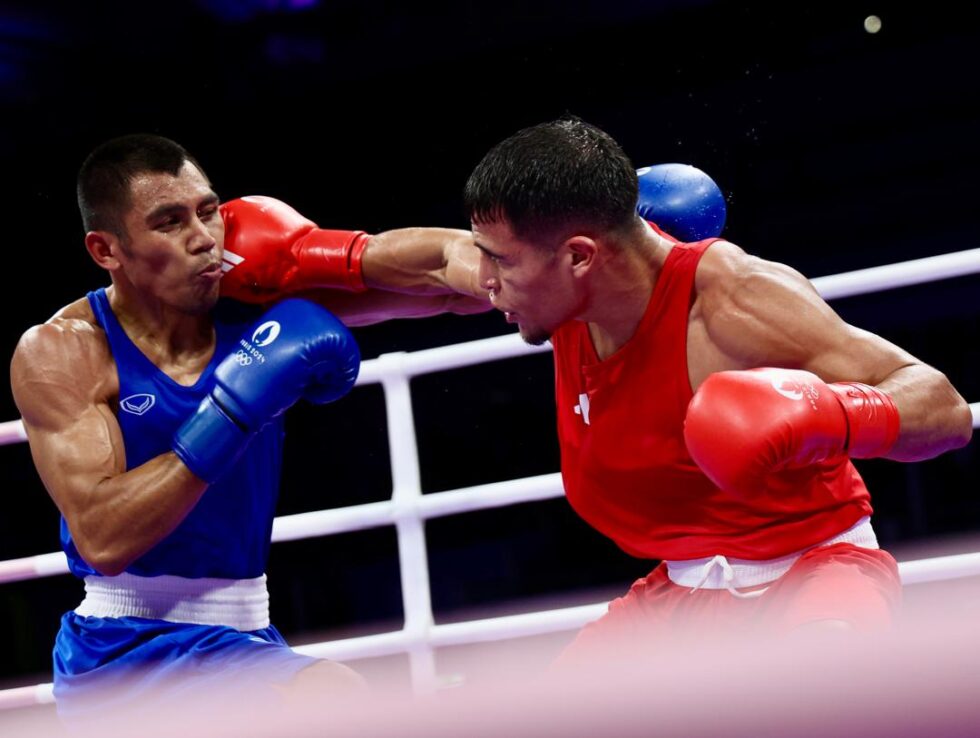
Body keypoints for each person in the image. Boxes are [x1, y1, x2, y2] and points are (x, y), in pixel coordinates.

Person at [217, 116, 973, 665]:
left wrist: (828, 413)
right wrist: (299, 257)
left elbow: (940, 406)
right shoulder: (550, 277)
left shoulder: (732, 303)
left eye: (500, 263)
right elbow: (430, 264)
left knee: (821, 695)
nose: (484, 279)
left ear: (579, 257)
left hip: (815, 578)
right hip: (678, 596)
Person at [7, 133, 488, 719]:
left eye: (208, 210)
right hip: (125, 650)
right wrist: (232, 412)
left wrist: (539, 261)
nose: (203, 237)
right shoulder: (66, 350)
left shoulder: (254, 307)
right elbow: (103, 539)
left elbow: (445, 280)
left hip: (244, 638)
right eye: (169, 222)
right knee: (333, 698)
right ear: (107, 250)